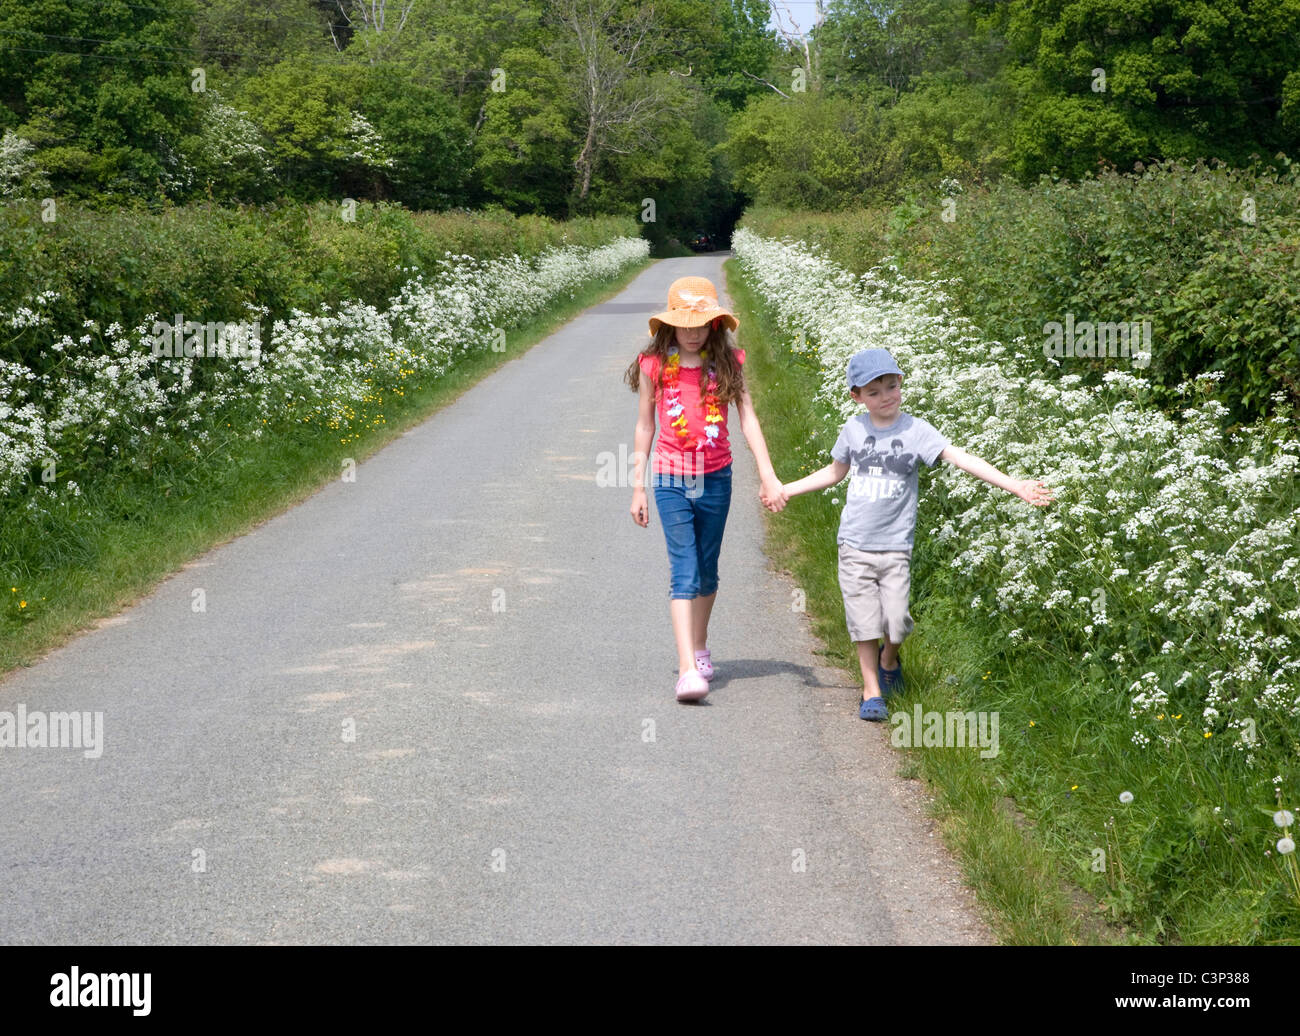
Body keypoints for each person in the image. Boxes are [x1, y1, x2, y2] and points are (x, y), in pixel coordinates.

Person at [773, 348, 1053, 720]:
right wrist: (786, 489)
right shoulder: (854, 430)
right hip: (854, 543)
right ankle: (871, 690)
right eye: (874, 392)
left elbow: (962, 458)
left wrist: (1015, 485)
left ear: (900, 383)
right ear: (856, 396)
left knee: (897, 620)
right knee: (863, 621)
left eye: (892, 386)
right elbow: (833, 473)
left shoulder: (917, 431)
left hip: (895, 548)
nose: (886, 396)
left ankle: (890, 659)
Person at [625, 276, 786, 702]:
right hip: (671, 478)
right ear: (670, 327)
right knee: (685, 570)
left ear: (715, 324)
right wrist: (638, 487)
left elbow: (748, 419)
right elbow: (645, 426)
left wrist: (768, 475)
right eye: (684, 323)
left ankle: (699, 644)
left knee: (708, 569)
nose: (693, 331)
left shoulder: (731, 362)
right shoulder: (654, 366)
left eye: (701, 323)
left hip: (717, 476)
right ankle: (686, 671)